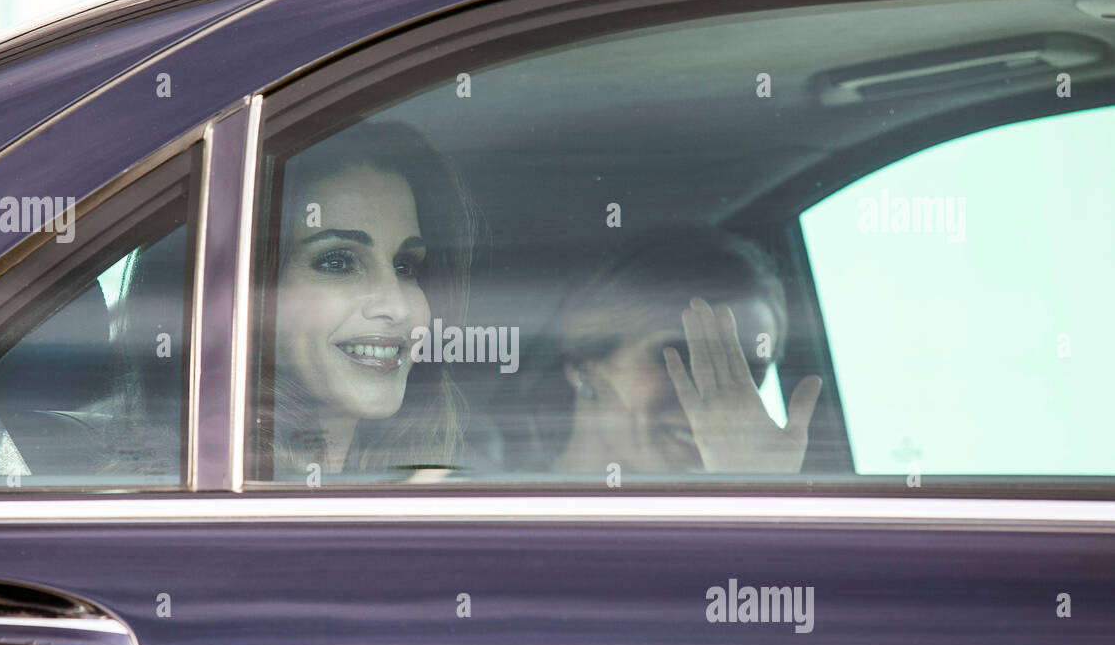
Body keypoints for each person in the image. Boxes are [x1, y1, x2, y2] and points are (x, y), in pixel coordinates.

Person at [268, 120, 476, 477]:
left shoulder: (430, 483)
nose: (395, 306)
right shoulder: (176, 487)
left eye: (405, 266)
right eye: (338, 262)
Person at [541, 227, 822, 475]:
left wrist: (754, 494)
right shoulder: (505, 509)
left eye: (748, 371)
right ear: (585, 365)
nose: (712, 395)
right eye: (681, 357)